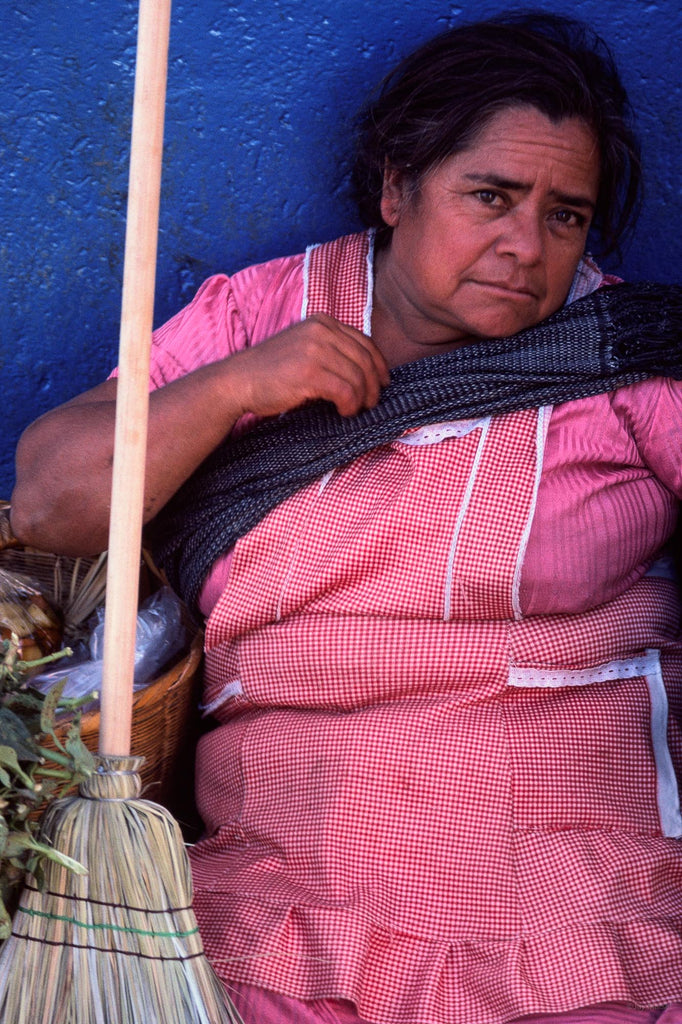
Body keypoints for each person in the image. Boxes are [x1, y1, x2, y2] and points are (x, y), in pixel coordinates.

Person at [9, 11, 682, 1024]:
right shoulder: (259, 316)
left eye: (565, 215)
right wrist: (236, 384)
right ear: (395, 188)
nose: (523, 245)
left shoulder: (620, 357)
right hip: (291, 892)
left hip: (579, 894)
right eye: (490, 196)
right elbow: (54, 506)